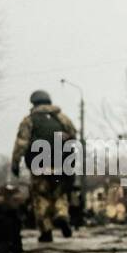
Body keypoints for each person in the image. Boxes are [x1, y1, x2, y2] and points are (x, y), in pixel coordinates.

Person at [10, 90, 79, 242]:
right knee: (60, 194)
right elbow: (73, 136)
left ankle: (46, 231)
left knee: (41, 197)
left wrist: (15, 163)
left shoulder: (29, 120)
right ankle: (62, 215)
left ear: (33, 103)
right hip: (62, 164)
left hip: (40, 165)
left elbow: (21, 143)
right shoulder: (62, 118)